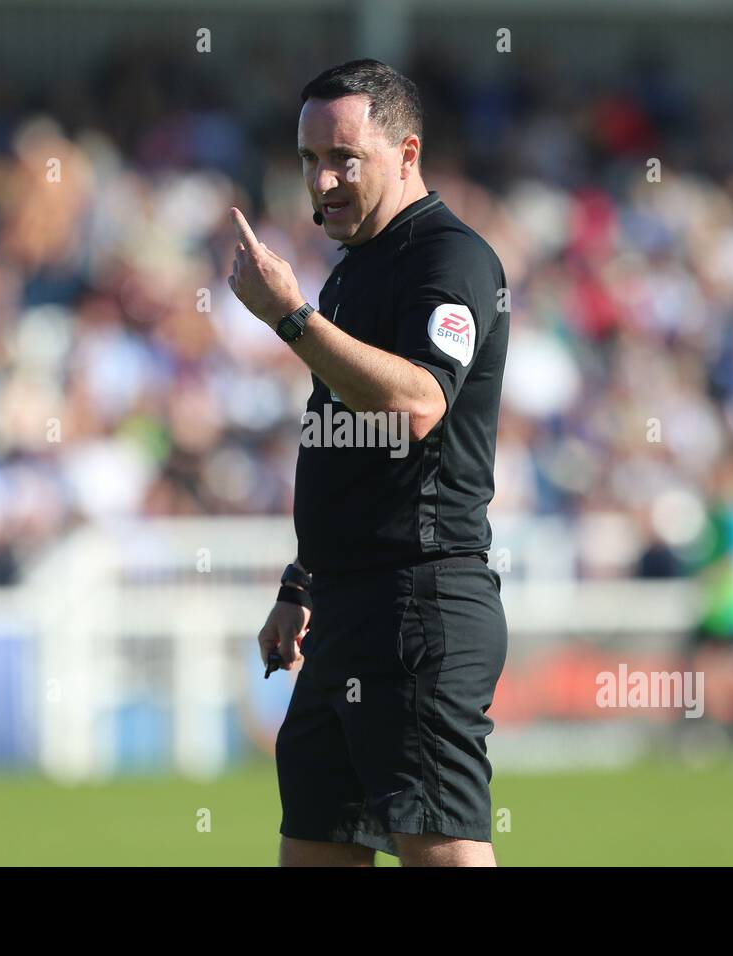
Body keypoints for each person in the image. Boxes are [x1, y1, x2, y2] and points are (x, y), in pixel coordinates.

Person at [228, 59, 510, 867]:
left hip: (417, 607)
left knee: (444, 855)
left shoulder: (448, 261)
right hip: (345, 614)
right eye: (309, 159)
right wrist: (301, 581)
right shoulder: (355, 269)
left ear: (407, 153)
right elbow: (346, 447)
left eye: (344, 157)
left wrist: (289, 316)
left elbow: (417, 404)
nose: (322, 180)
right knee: (314, 849)